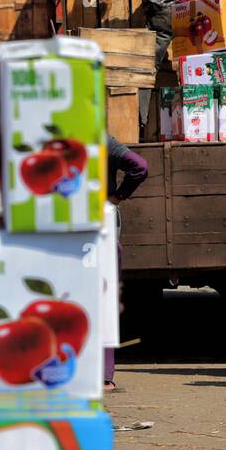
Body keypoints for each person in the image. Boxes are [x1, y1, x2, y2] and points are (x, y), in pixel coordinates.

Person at [104, 135, 149, 392]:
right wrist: (118, 196)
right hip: (102, 226)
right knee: (105, 298)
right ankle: (104, 376)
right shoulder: (102, 139)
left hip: (62, 229)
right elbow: (140, 167)